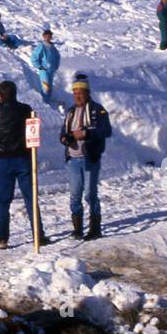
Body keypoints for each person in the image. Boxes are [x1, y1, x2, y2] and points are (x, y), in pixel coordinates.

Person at [0, 81, 49, 249]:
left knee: (3, 201)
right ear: (15, 93)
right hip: (23, 158)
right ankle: (38, 234)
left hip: (3, 160)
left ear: (0, 94)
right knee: (31, 198)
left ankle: (2, 239)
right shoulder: (25, 109)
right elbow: (33, 130)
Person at [60, 74, 113, 240]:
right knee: (75, 195)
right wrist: (64, 138)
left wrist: (86, 133)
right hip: (73, 159)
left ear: (87, 93)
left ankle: (95, 228)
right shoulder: (71, 111)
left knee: (90, 194)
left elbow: (106, 131)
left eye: (80, 93)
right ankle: (77, 229)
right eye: (75, 93)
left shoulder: (98, 110)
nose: (77, 96)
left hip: (90, 157)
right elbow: (63, 132)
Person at [30, 28, 60, 101]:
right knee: (45, 86)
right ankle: (44, 101)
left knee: (49, 86)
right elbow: (34, 57)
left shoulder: (53, 47)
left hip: (51, 70)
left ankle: (48, 100)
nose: (48, 37)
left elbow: (57, 57)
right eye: (47, 36)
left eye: (50, 36)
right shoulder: (41, 46)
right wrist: (39, 67)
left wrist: (55, 66)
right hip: (44, 70)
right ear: (43, 36)